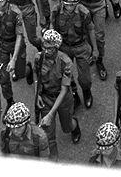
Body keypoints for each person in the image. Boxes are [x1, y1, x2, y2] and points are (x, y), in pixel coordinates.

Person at [33, 29, 81, 159]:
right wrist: (37, 94)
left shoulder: (66, 62)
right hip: (46, 98)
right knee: (48, 135)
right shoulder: (39, 57)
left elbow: (64, 89)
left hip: (63, 99)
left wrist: (50, 114)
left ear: (56, 47)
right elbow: (36, 75)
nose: (46, 50)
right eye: (44, 47)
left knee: (67, 127)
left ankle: (74, 125)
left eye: (50, 48)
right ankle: (53, 160)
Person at [50, 0, 95, 109]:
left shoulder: (83, 12)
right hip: (64, 46)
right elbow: (52, 28)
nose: (70, 7)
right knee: (66, 75)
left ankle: (86, 92)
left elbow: (90, 29)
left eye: (72, 4)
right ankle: (74, 93)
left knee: (85, 77)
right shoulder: (56, 11)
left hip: (80, 46)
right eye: (67, 4)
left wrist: (94, 49)